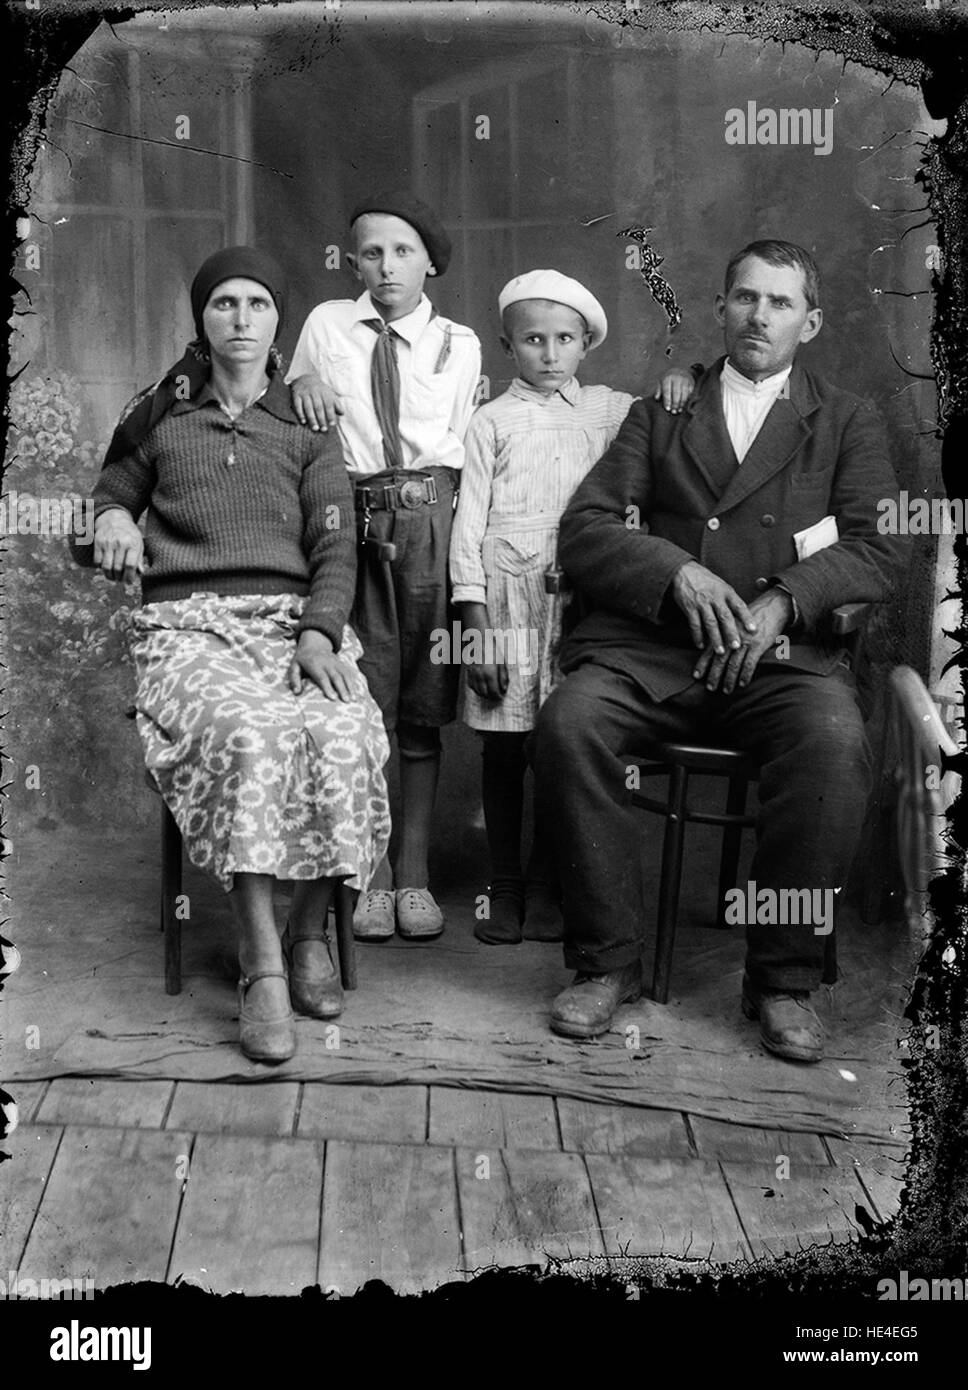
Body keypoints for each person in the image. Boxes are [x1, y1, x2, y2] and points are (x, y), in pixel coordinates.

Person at [531, 239, 908, 1061]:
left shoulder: (846, 419)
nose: (758, 316)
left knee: (837, 743)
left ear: (809, 323)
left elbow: (881, 549)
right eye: (744, 298)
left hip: (780, 658)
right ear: (720, 309)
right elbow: (588, 528)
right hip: (658, 648)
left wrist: (783, 599)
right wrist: (678, 575)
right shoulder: (665, 409)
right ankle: (606, 964)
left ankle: (782, 979)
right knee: (571, 722)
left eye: (778, 304)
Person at [75, 246, 391, 1065]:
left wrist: (320, 633)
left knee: (345, 731)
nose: (241, 319)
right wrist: (112, 520)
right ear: (202, 319)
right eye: (224, 305)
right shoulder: (164, 417)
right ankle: (261, 970)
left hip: (291, 625)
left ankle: (309, 934)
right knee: (251, 736)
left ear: (277, 320)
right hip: (188, 628)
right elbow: (111, 493)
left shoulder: (306, 427)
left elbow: (334, 548)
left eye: (256, 303)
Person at [287, 193, 481, 944]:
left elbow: (468, 443)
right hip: (351, 519)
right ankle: (364, 873)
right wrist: (300, 382)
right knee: (360, 698)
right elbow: (299, 396)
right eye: (370, 253)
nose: (385, 266)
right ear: (352, 262)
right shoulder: (327, 326)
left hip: (433, 521)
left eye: (401, 252)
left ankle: (415, 872)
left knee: (423, 707)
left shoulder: (460, 343)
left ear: (429, 260)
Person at [449, 270, 637, 944]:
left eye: (564, 339)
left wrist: (687, 374)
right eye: (534, 339)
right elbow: (467, 525)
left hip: (580, 604)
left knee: (564, 746)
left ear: (585, 344)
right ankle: (504, 885)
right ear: (509, 346)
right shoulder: (490, 421)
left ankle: (550, 878)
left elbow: (683, 409)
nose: (550, 353)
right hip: (505, 600)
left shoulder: (610, 410)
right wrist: (473, 626)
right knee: (504, 748)